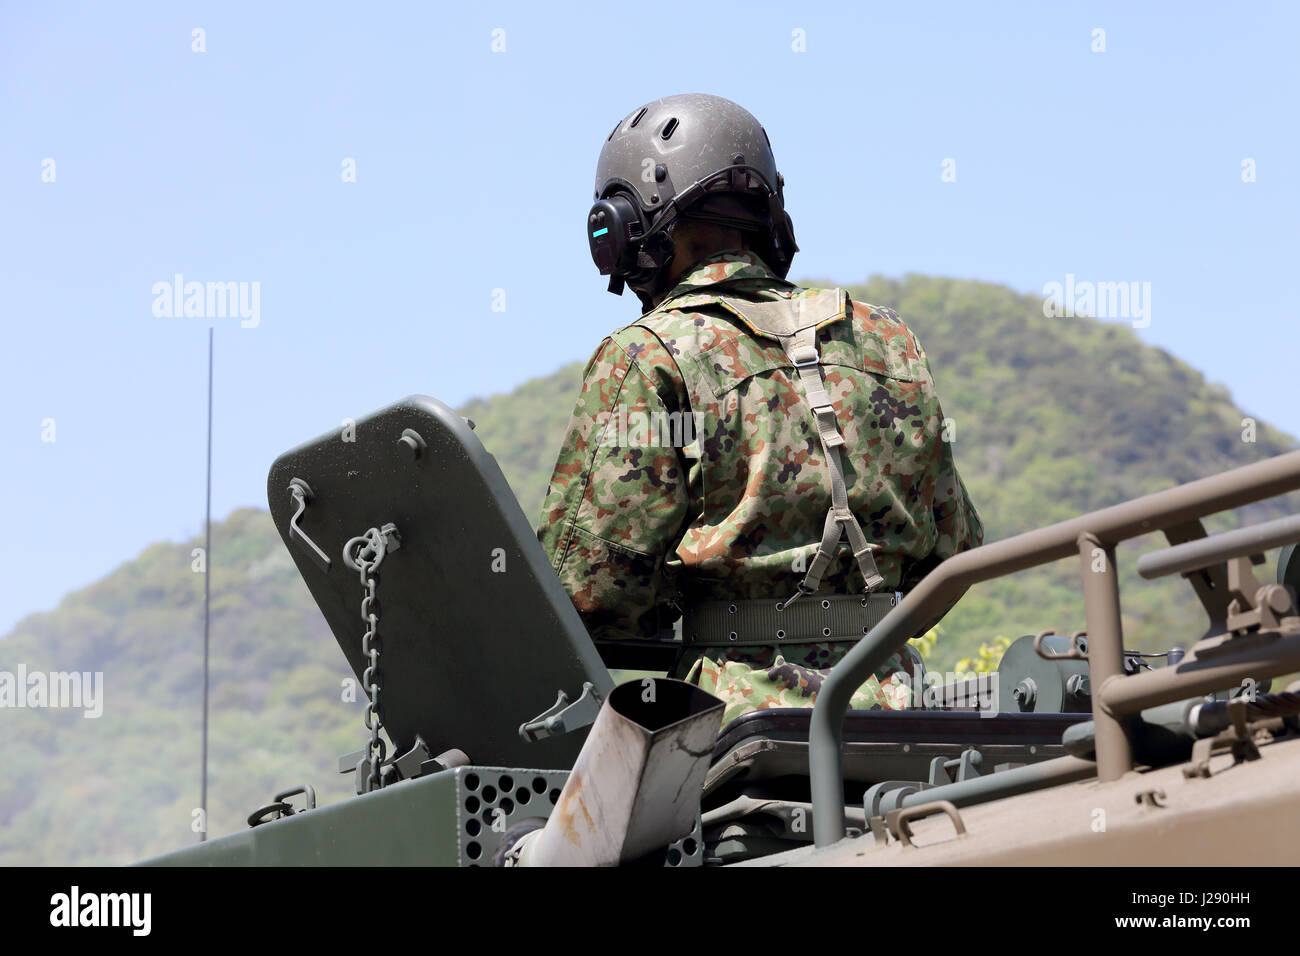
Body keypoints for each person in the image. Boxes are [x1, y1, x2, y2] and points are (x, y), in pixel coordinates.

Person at [538, 94, 983, 724]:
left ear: (628, 224)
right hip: (900, 724)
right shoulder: (888, 341)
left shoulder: (650, 354)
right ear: (769, 211)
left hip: (734, 730)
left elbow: (587, 589)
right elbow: (954, 552)